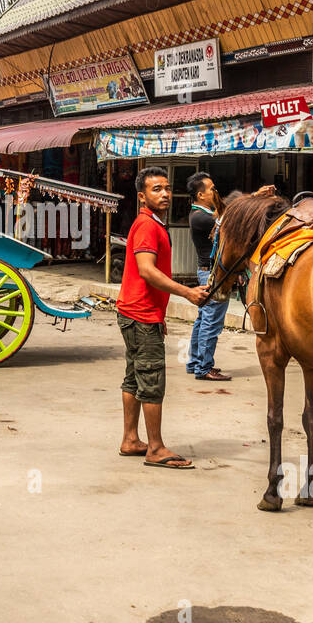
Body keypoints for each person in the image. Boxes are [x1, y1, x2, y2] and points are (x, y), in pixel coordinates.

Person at [117, 166, 208, 469]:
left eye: (167, 188)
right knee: (152, 379)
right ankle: (155, 448)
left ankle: (131, 439)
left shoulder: (152, 224)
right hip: (140, 315)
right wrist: (187, 292)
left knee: (135, 377)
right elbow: (147, 270)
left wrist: (161, 314)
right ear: (142, 196)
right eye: (157, 189)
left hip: (137, 313)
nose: (165, 193)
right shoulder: (147, 226)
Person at [186, 172, 231, 382]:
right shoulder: (201, 217)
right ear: (201, 195)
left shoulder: (203, 213)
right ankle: (203, 367)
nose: (215, 191)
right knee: (211, 321)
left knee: (203, 319)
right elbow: (228, 216)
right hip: (212, 273)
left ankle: (195, 362)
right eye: (211, 188)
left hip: (207, 272)